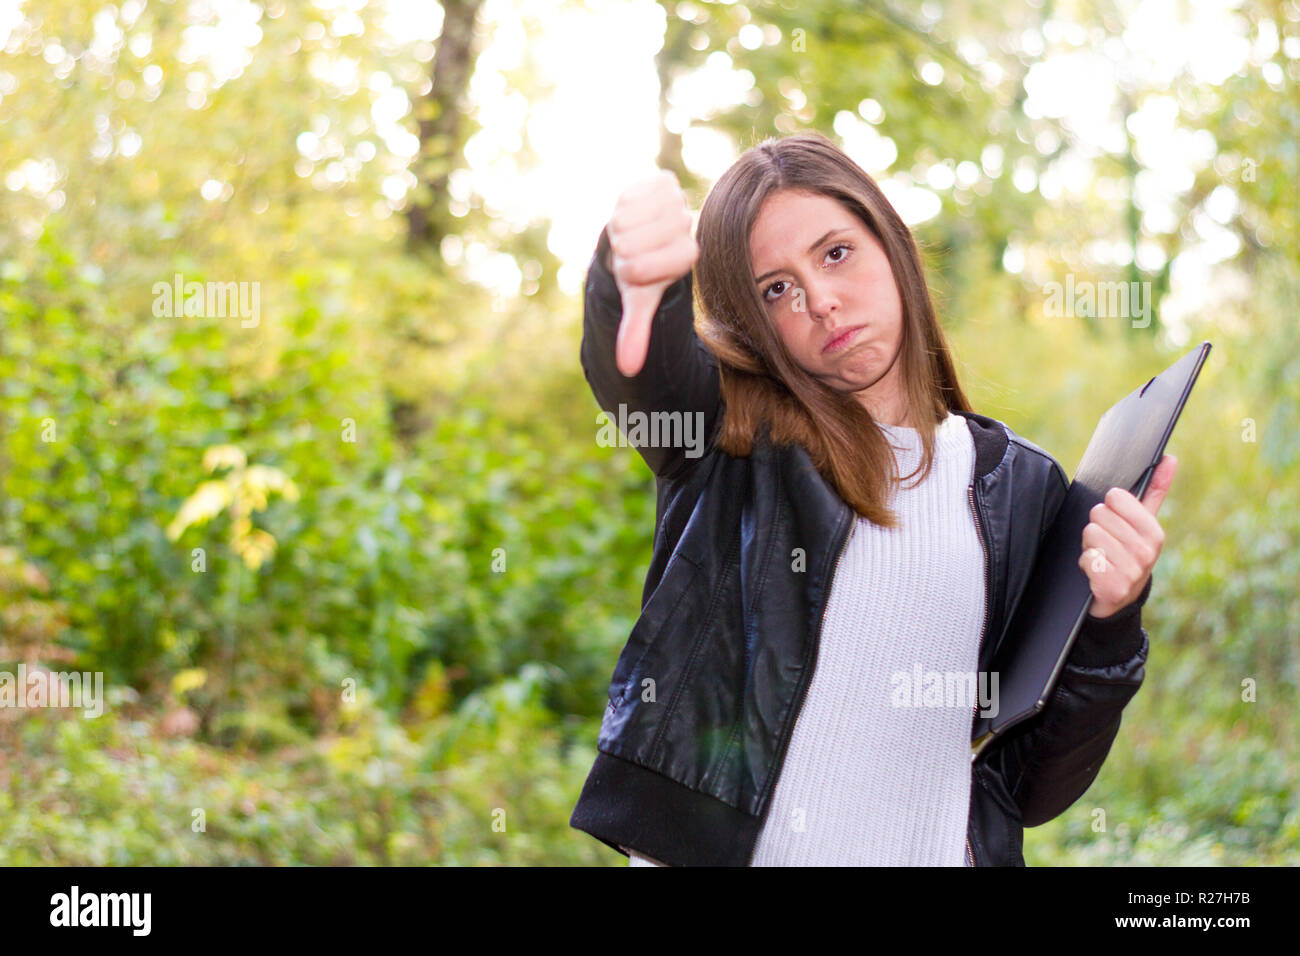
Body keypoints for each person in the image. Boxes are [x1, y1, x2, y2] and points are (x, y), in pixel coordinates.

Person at [570, 131, 1174, 866]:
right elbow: (646, 376)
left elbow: (1030, 783)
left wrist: (1111, 620)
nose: (820, 301)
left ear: (892, 244)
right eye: (776, 289)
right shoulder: (727, 441)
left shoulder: (1021, 488)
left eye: (835, 253)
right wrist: (628, 285)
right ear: (752, 322)